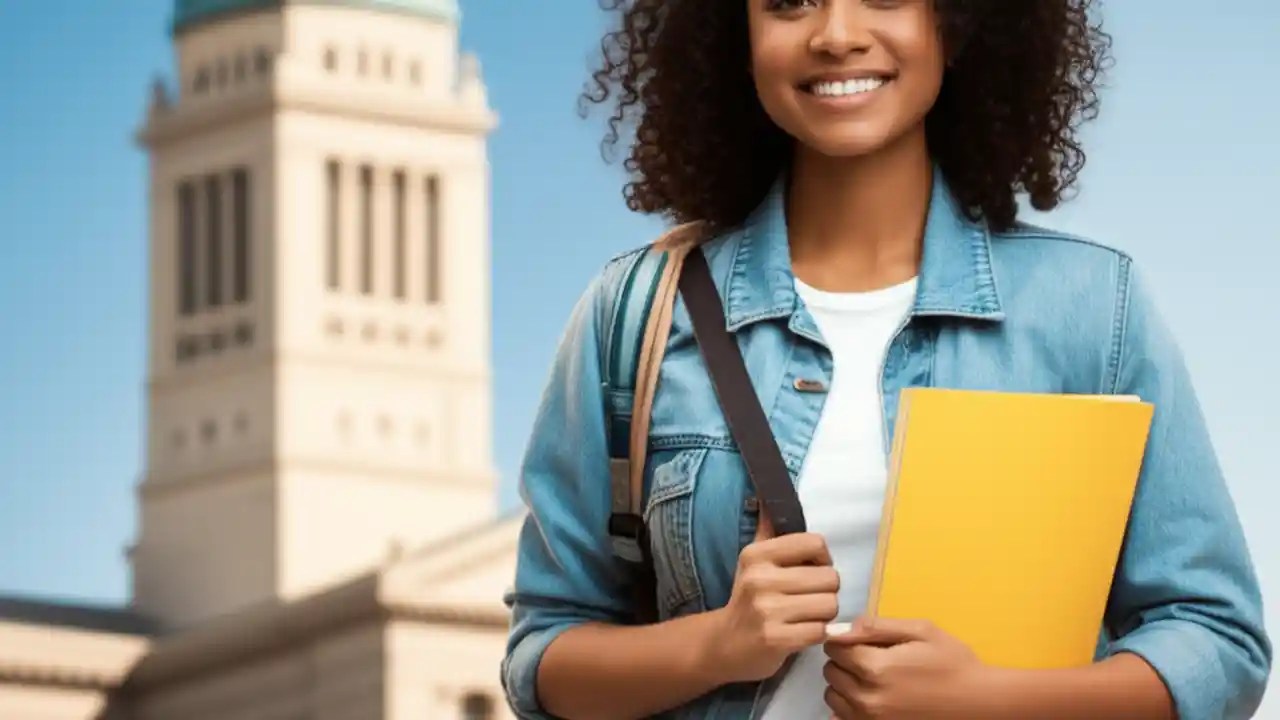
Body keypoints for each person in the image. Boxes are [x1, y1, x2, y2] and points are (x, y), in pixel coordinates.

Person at [502, 1, 1272, 718]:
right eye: (789, 0)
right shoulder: (635, 313)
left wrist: (989, 700)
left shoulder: (1093, 306)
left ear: (957, 20)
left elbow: (1218, 642)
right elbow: (543, 655)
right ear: (732, 34)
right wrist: (713, 646)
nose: (836, 31)